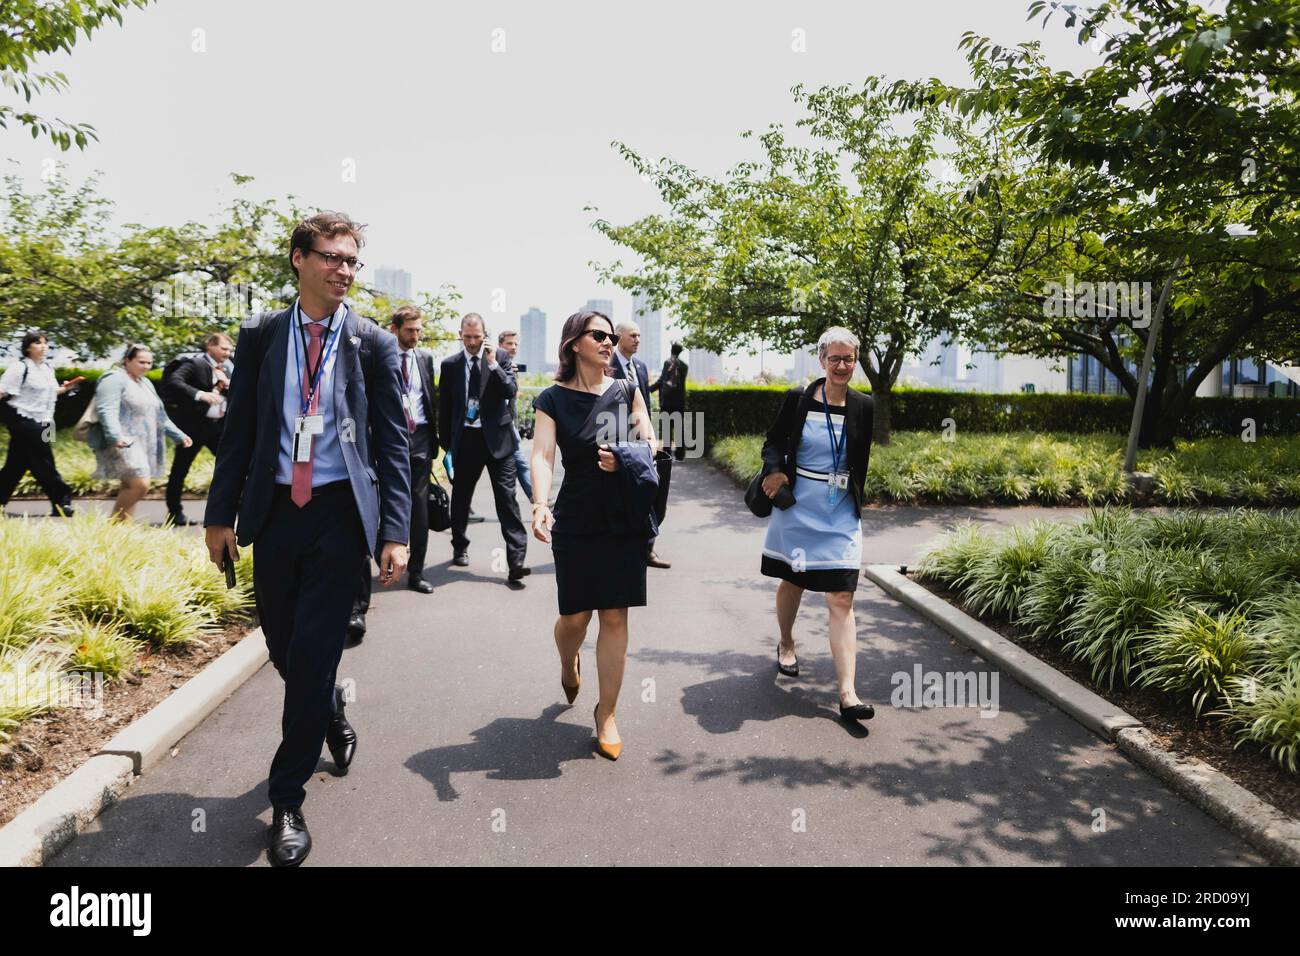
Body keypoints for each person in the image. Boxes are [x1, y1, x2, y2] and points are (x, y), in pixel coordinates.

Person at [204, 211, 411, 867]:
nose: (343, 271)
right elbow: (240, 429)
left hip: (339, 514)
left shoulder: (372, 344)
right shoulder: (262, 335)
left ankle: (286, 800)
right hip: (275, 512)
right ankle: (327, 711)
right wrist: (219, 516)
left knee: (314, 656)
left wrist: (395, 532)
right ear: (298, 259)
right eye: (331, 257)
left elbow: (393, 447)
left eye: (352, 261)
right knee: (286, 648)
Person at [531, 310, 659, 761]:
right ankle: (569, 661)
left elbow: (651, 440)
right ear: (574, 344)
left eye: (611, 336)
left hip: (622, 516)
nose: (609, 342)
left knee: (616, 616)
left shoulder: (626, 389)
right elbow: (544, 455)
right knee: (575, 619)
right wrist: (540, 503)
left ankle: (606, 712)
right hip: (577, 518)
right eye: (599, 335)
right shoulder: (551, 399)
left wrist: (625, 454)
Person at [759, 327, 876, 723]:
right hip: (799, 504)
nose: (842, 366)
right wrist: (774, 471)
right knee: (793, 580)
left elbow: (859, 458)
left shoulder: (864, 405)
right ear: (822, 360)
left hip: (840, 509)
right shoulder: (799, 399)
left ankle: (847, 693)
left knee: (842, 596)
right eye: (835, 358)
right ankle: (787, 643)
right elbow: (773, 441)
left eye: (849, 359)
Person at [349, 305, 438, 638]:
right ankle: (358, 606)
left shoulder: (425, 359)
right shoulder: (373, 354)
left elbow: (430, 399)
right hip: (374, 442)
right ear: (395, 328)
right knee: (365, 513)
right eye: (410, 330)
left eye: (419, 331)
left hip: (418, 442)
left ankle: (416, 573)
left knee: (418, 512)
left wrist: (436, 441)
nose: (415, 336)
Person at [437, 313, 528, 584]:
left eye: (477, 337)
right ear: (460, 334)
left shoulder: (500, 357)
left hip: (499, 442)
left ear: (485, 335)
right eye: (468, 337)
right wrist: (446, 445)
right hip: (466, 440)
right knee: (462, 498)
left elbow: (510, 391)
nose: (472, 342)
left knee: (507, 500)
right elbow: (445, 406)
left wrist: (492, 364)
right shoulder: (450, 364)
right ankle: (459, 545)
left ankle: (516, 562)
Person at [88, 344, 192, 522]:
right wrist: (114, 436)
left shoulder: (145, 383)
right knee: (140, 484)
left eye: (149, 363)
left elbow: (159, 415)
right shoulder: (114, 379)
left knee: (130, 485)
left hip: (145, 441)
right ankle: (113, 527)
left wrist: (179, 435)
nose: (145, 366)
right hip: (124, 440)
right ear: (127, 360)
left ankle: (121, 530)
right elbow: (106, 409)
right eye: (141, 361)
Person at [609, 320, 671, 569]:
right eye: (632, 335)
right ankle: (623, 549)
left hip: (642, 444)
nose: (637, 339)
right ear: (618, 337)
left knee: (651, 492)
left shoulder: (642, 367)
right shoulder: (607, 366)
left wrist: (652, 439)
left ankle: (647, 548)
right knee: (622, 498)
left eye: (639, 336)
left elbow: (644, 405)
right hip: (617, 442)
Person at [0, 331, 82, 517]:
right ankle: (62, 502)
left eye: (45, 343)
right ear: (28, 347)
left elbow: (51, 393)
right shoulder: (19, 368)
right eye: (38, 343)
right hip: (24, 419)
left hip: (46, 421)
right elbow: (2, 391)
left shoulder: (47, 368)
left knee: (16, 464)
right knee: (45, 461)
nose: (43, 346)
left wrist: (66, 388)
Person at [163, 332, 233, 526]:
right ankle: (175, 512)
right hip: (192, 428)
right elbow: (175, 381)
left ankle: (235, 507)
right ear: (210, 345)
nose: (227, 353)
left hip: (218, 427)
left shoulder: (227, 368)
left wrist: (229, 385)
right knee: (180, 470)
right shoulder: (194, 364)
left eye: (229, 350)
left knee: (232, 466)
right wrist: (199, 394)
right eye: (223, 348)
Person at [496, 329, 533, 502]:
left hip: (507, 423)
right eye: (509, 343)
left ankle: (537, 500)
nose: (513, 347)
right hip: (496, 425)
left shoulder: (511, 367)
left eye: (516, 344)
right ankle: (538, 501)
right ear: (500, 345)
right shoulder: (492, 364)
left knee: (519, 464)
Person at [649, 342, 688, 461]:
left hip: (667, 402)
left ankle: (668, 453)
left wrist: (648, 389)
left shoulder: (668, 362)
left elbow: (662, 380)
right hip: (679, 402)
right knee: (678, 428)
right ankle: (680, 454)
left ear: (671, 350)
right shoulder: (684, 366)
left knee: (666, 428)